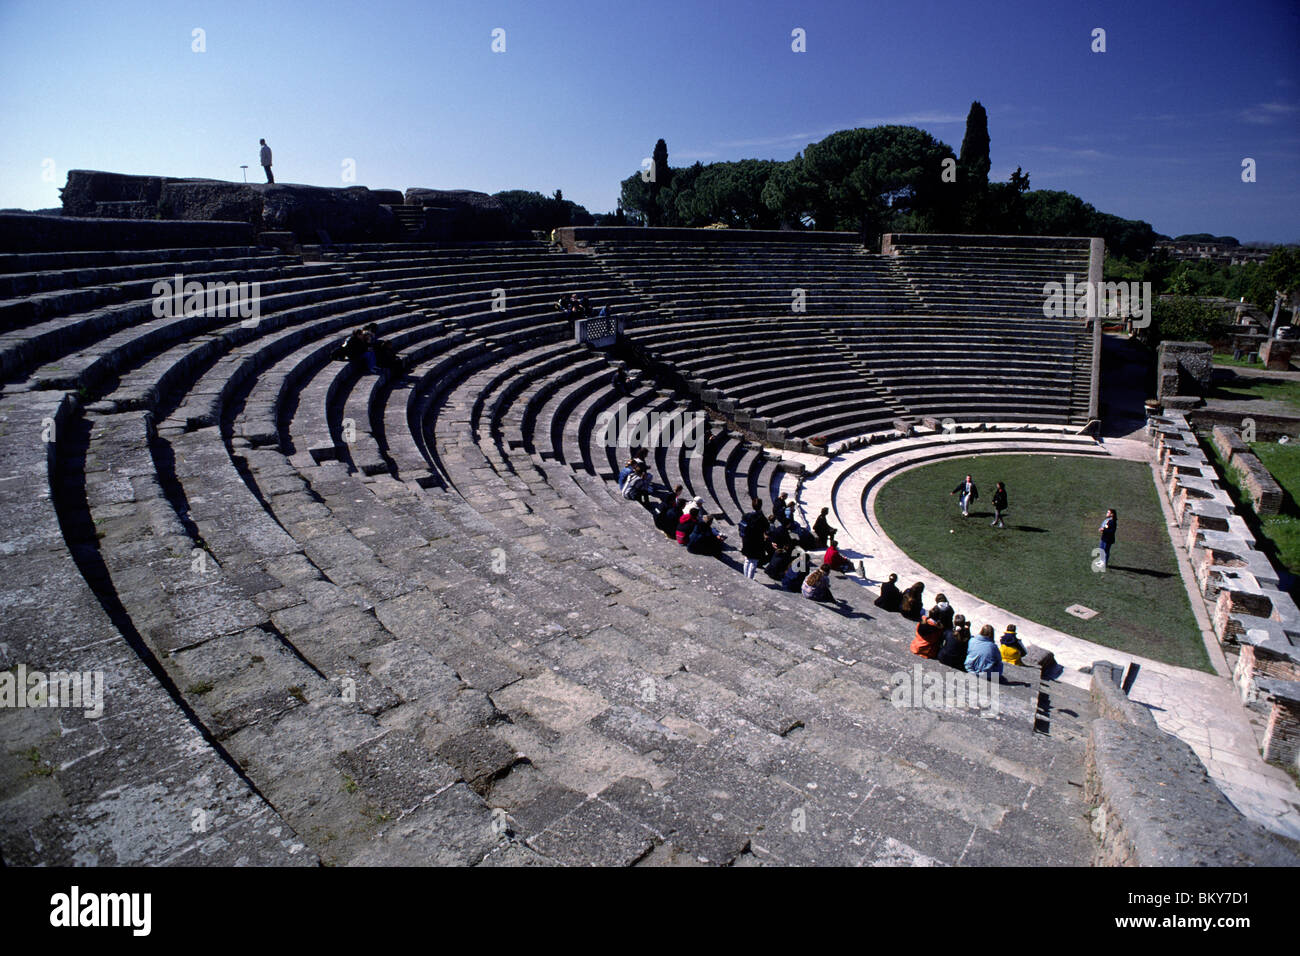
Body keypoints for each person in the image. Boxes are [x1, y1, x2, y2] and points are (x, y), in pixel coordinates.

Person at [739, 497, 770, 580]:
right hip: (757, 542)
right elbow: (767, 528)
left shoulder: (746, 516)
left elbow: (741, 528)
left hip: (747, 541)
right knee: (754, 561)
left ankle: (746, 577)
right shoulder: (762, 519)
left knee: (747, 559)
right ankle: (750, 579)